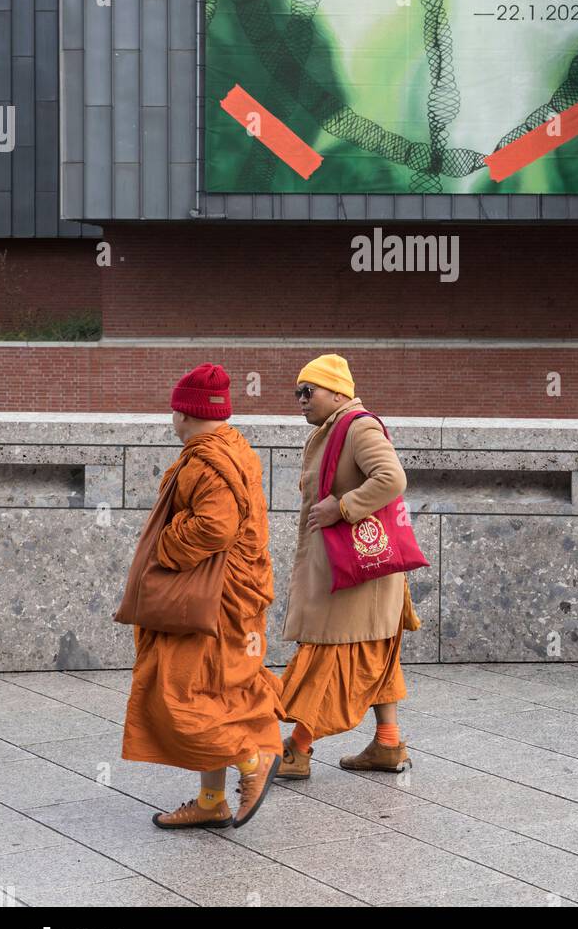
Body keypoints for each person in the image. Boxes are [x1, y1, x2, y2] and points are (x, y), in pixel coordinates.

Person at [121, 363, 285, 828]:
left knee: (179, 691)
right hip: (235, 595)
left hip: (211, 600)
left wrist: (166, 545)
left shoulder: (205, 462)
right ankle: (212, 800)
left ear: (186, 413)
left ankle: (253, 760)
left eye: (175, 411)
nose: (172, 419)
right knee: (218, 689)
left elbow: (215, 526)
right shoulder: (235, 449)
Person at [276, 354, 413, 779]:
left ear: (337, 392)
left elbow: (391, 478)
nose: (300, 399)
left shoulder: (357, 427)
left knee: (329, 657)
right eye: (297, 391)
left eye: (308, 390)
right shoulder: (333, 429)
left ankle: (297, 750)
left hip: (356, 575)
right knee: (374, 653)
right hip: (358, 572)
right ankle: (387, 745)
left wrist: (344, 506)